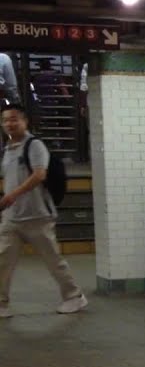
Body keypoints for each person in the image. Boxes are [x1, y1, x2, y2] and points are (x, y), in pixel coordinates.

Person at [0, 103, 86, 318]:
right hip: (11, 218)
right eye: (6, 120)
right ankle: (2, 303)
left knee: (53, 261)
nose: (10, 123)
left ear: (24, 121)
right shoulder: (7, 150)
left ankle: (74, 297)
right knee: (2, 260)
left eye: (14, 119)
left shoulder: (35, 145)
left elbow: (39, 175)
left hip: (37, 216)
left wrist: (12, 195)